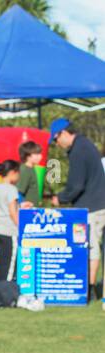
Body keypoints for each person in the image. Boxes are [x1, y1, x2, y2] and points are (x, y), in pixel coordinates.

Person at [48, 118, 105, 294]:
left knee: (90, 248)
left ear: (64, 133)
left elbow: (77, 185)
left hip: (92, 208)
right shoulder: (85, 144)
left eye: (56, 140)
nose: (57, 144)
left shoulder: (78, 150)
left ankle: (87, 290)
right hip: (100, 203)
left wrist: (61, 198)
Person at [0, 160, 21, 283]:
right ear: (13, 173)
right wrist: (20, 227)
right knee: (11, 262)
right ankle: (6, 288)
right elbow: (12, 211)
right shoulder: (11, 189)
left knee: (2, 261)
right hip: (9, 230)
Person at [16, 140, 43, 207]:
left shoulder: (31, 168)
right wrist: (20, 205)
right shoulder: (25, 170)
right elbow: (18, 192)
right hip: (26, 212)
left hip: (32, 210)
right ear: (28, 156)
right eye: (37, 154)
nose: (40, 156)